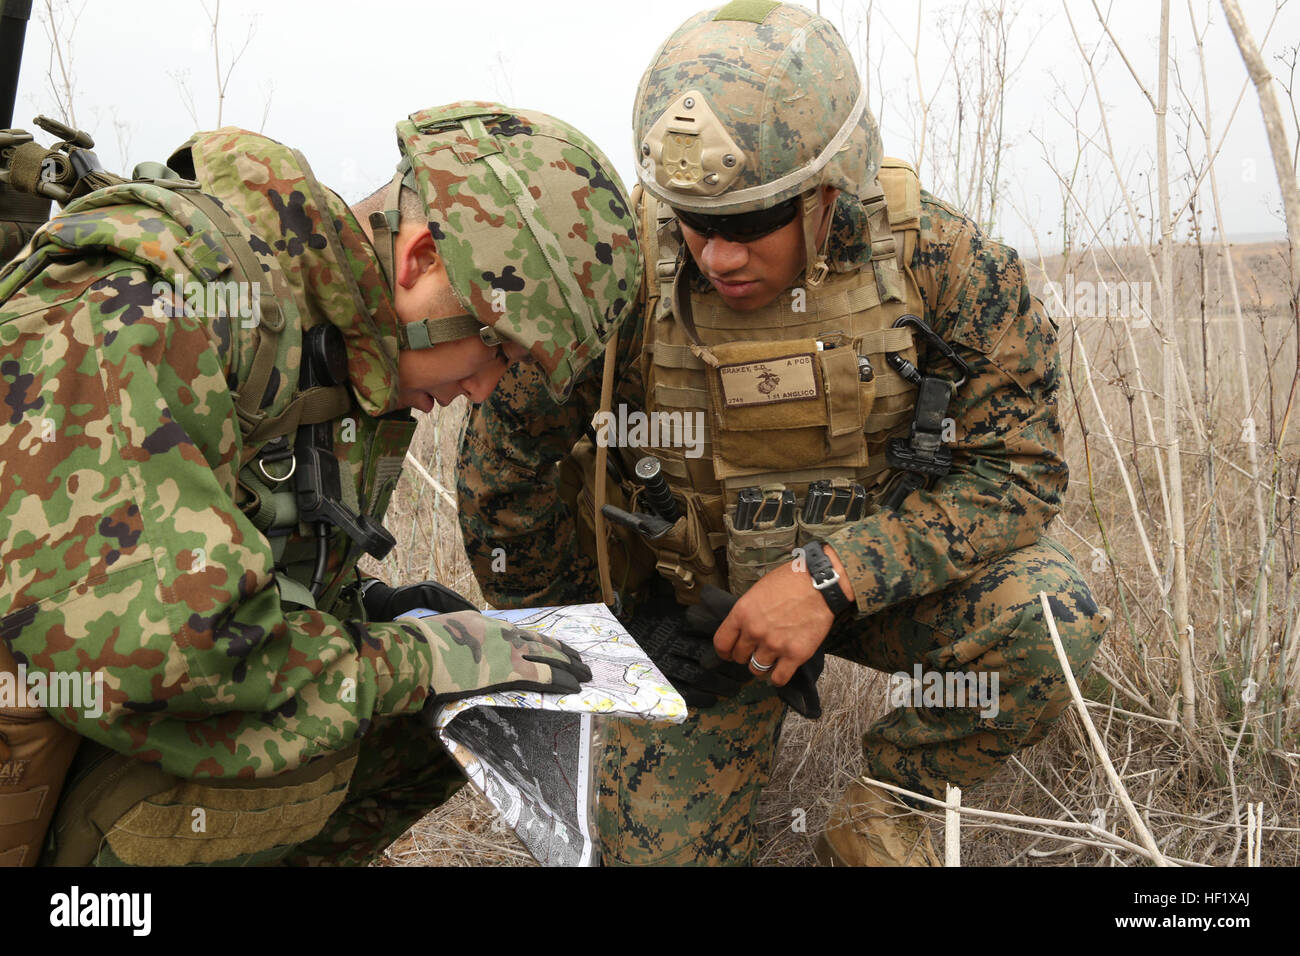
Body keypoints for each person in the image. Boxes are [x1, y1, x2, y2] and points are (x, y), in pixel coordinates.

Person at [457, 2, 1110, 866]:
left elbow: (1017, 477)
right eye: (694, 223)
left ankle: (890, 804)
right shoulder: (619, 278)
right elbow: (506, 469)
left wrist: (834, 577)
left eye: (748, 226)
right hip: (699, 623)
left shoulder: (944, 264)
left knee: (1051, 618)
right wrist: (599, 640)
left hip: (878, 589)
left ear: (830, 188)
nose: (716, 258)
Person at [0, 102, 640, 866]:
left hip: (99, 724)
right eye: (496, 347)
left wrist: (372, 613)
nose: (483, 389)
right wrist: (423, 658)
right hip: (61, 737)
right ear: (422, 259)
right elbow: (167, 655)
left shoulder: (321, 335)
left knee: (423, 719)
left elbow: (219, 551)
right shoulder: (141, 308)